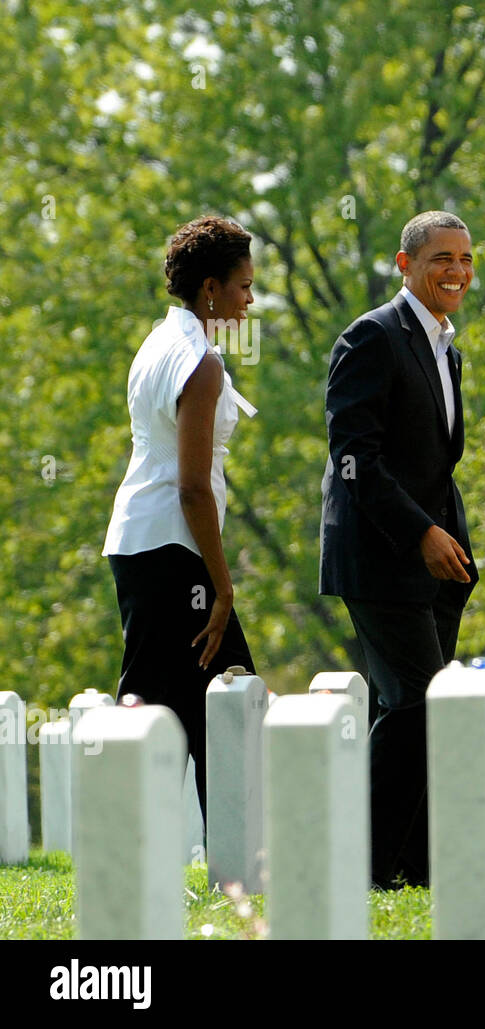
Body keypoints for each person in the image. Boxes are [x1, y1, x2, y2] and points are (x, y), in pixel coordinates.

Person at [320, 210, 478, 890]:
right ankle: (363, 867)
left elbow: (434, 462)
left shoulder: (447, 345)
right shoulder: (372, 336)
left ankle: (414, 867)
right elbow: (354, 456)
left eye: (466, 259)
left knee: (420, 710)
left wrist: (449, 540)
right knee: (417, 701)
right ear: (405, 263)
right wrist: (420, 531)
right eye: (442, 257)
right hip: (383, 555)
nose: (457, 270)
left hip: (440, 564)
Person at [104, 215, 259, 824]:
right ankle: (130, 848)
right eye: (244, 285)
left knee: (195, 704)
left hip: (143, 541)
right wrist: (222, 586)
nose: (250, 299)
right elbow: (193, 488)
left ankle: (233, 864)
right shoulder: (200, 361)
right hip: (173, 547)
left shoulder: (159, 342)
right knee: (214, 701)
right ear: (211, 288)